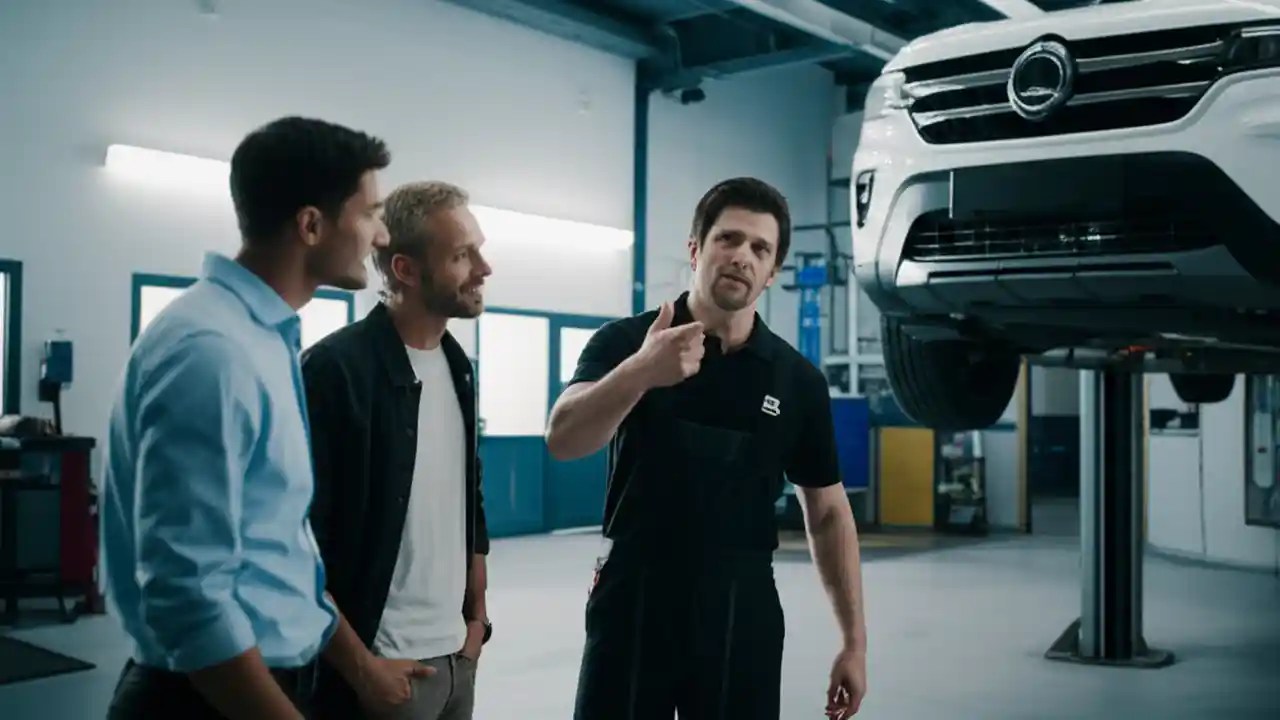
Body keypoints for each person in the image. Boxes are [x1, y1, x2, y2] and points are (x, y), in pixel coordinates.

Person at [100, 116, 435, 720]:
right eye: (370, 213)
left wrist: (360, 667)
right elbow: (187, 594)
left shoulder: (261, 337)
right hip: (209, 697)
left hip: (259, 677)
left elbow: (276, 545)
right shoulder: (213, 351)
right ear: (311, 224)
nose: (381, 234)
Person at [547, 177, 869, 720]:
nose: (742, 256)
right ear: (696, 249)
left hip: (741, 607)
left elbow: (829, 512)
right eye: (729, 239)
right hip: (635, 598)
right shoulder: (627, 343)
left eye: (759, 249)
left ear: (772, 274)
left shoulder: (797, 381)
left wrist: (854, 643)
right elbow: (564, 438)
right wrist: (643, 373)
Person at [299, 180, 494, 720]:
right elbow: (296, 544)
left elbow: (468, 500)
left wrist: (476, 623)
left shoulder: (457, 367)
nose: (484, 267)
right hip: (382, 670)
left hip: (456, 658)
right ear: (405, 270)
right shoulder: (334, 372)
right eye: (462, 255)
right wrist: (361, 667)